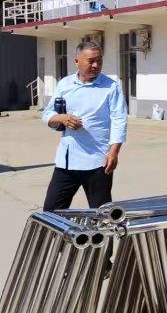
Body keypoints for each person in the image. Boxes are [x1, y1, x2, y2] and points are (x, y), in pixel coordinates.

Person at [41, 40, 127, 210]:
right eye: (91, 61)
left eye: (99, 61)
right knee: (51, 211)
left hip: (98, 162)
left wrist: (114, 152)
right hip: (67, 162)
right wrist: (62, 118)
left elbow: (119, 120)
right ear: (77, 61)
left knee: (101, 215)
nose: (96, 65)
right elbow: (47, 114)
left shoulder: (111, 87)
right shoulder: (65, 84)